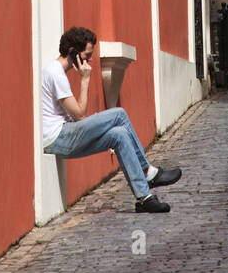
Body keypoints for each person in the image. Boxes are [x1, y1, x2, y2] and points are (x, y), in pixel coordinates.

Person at [41, 27, 181, 214]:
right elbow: (80, 115)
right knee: (119, 114)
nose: (89, 60)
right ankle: (147, 171)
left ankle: (143, 198)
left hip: (65, 135)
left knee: (119, 134)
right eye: (86, 55)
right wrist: (85, 80)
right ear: (73, 52)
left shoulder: (57, 72)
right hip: (59, 138)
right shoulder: (55, 73)